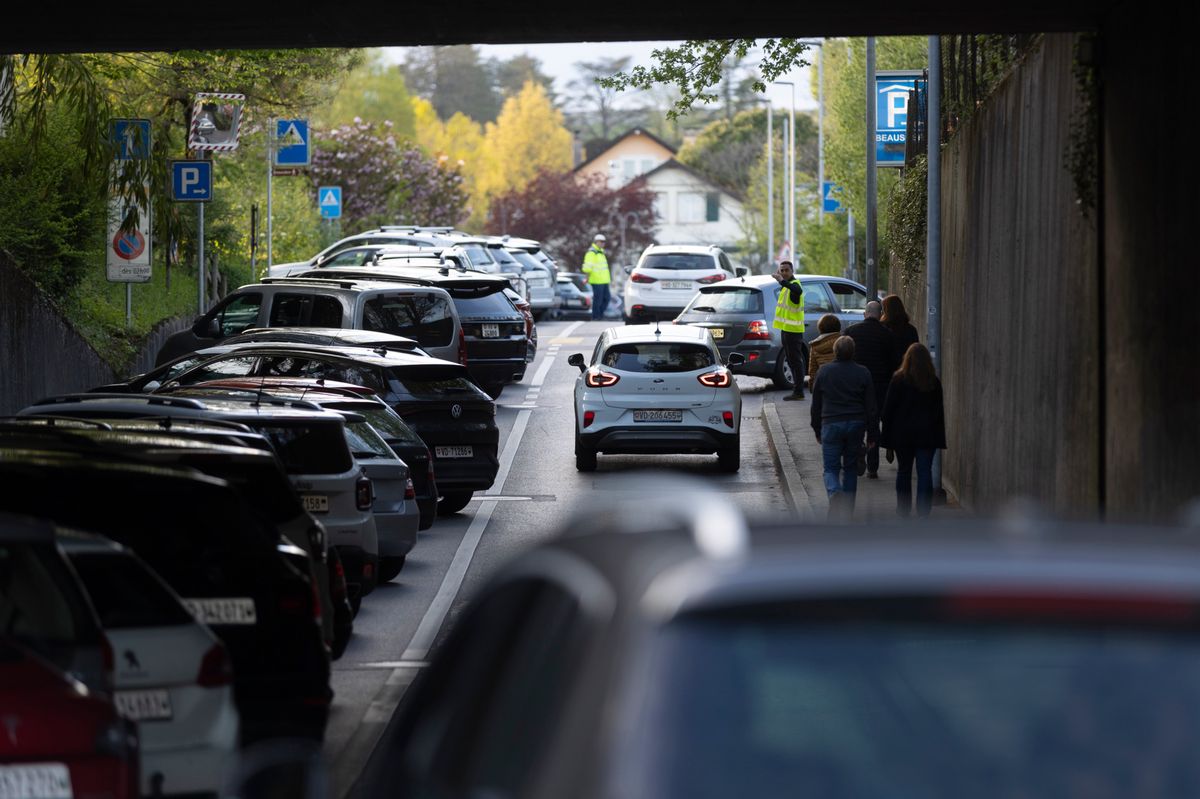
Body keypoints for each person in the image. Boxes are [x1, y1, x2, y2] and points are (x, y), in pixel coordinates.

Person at [810, 335, 877, 519]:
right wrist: (872, 434)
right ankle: (848, 510)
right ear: (853, 352)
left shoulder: (824, 372)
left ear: (835, 351)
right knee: (850, 468)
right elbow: (871, 406)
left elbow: (816, 404)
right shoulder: (863, 372)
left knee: (830, 468)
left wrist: (816, 428)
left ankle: (834, 493)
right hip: (856, 423)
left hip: (831, 423)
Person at [879, 343, 946, 517]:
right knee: (925, 472)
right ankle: (923, 511)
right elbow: (938, 412)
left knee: (904, 471)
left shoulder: (898, 380)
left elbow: (888, 411)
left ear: (907, 359)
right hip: (927, 435)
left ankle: (903, 510)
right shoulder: (933, 382)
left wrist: (887, 438)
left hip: (903, 436)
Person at [845, 300, 897, 477]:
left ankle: (858, 454)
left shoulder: (851, 332)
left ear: (864, 314)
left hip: (856, 386)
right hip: (880, 386)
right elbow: (893, 363)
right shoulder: (888, 335)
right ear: (881, 315)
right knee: (874, 425)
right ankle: (873, 467)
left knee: (857, 423)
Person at [880, 294, 919, 465]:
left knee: (888, 411)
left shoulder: (883, 329)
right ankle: (902, 443)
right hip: (907, 375)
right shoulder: (910, 330)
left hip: (888, 376)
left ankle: (889, 444)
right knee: (905, 411)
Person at [771, 260, 807, 400]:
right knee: (792, 361)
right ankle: (797, 391)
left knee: (796, 362)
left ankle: (799, 392)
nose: (784, 273)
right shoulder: (786, 287)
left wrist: (781, 281)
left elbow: (798, 291)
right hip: (786, 330)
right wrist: (782, 282)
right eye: (782, 270)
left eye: (787, 270)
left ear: (792, 271)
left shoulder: (794, 285)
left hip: (794, 331)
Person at [805, 313, 841, 392]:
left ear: (820, 328)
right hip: (842, 384)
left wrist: (812, 388)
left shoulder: (815, 346)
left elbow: (812, 371)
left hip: (824, 387)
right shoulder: (843, 342)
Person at [581, 233, 611, 321]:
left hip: (604, 280)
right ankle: (596, 316)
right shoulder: (592, 253)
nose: (603, 243)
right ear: (596, 242)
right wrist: (587, 278)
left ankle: (599, 315)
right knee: (598, 300)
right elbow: (587, 268)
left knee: (607, 298)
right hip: (596, 280)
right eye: (601, 241)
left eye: (604, 242)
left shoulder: (601, 252)